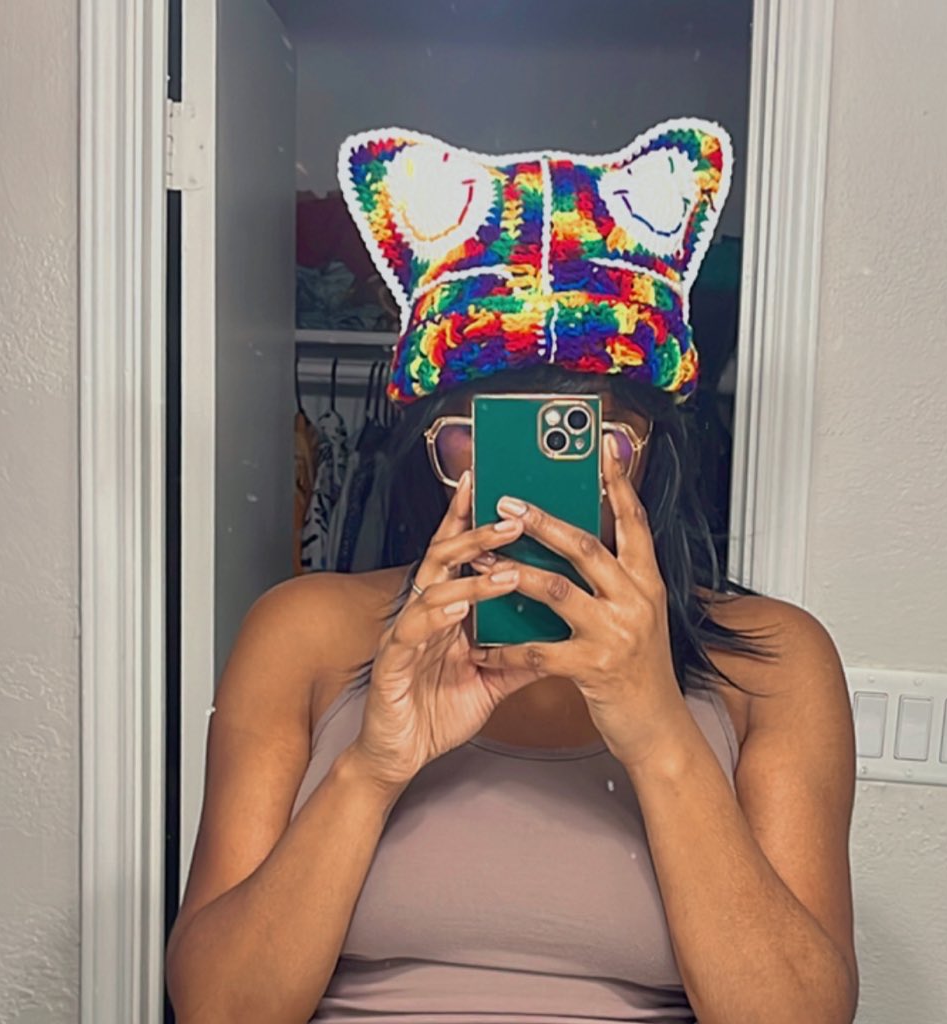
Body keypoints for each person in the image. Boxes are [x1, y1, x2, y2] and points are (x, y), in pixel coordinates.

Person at [165, 121, 859, 1024]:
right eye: (483, 435)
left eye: (581, 436)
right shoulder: (303, 633)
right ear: (433, 446)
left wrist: (661, 736)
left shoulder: (772, 663)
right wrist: (372, 768)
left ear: (649, 450)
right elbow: (218, 1009)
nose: (526, 491)